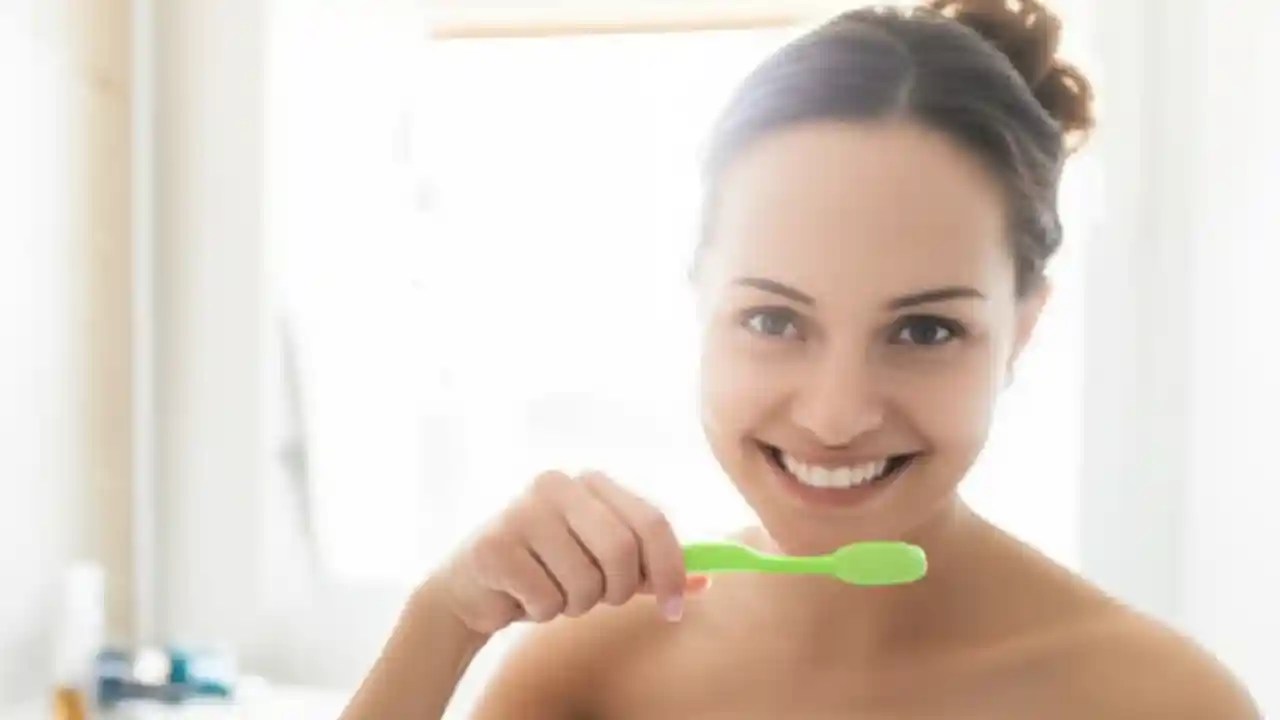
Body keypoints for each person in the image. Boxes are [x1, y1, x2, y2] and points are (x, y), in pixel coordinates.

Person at [339, 1, 1260, 717]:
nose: (835, 413)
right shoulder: (591, 667)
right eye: (774, 320)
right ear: (698, 303)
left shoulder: (1162, 703)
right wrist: (444, 619)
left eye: (925, 331)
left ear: (1022, 330)